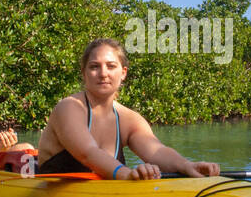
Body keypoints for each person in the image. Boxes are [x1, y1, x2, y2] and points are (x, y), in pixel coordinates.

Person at [37, 38, 220, 180]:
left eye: (111, 66)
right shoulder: (69, 108)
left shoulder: (128, 119)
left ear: (123, 73)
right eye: (94, 67)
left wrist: (186, 165)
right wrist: (126, 174)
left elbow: (157, 152)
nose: (103, 73)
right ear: (84, 73)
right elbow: (88, 153)